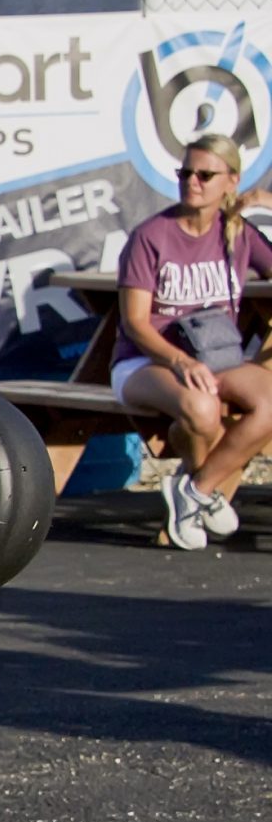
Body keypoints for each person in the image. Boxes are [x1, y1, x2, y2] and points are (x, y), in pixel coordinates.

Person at [113, 132, 272, 550]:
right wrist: (181, 363)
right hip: (145, 362)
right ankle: (204, 494)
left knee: (269, 402)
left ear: (231, 181)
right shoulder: (152, 236)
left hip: (218, 356)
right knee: (202, 408)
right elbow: (134, 323)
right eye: (185, 172)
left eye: (205, 174)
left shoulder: (238, 233)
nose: (192, 182)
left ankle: (197, 490)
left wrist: (269, 206)